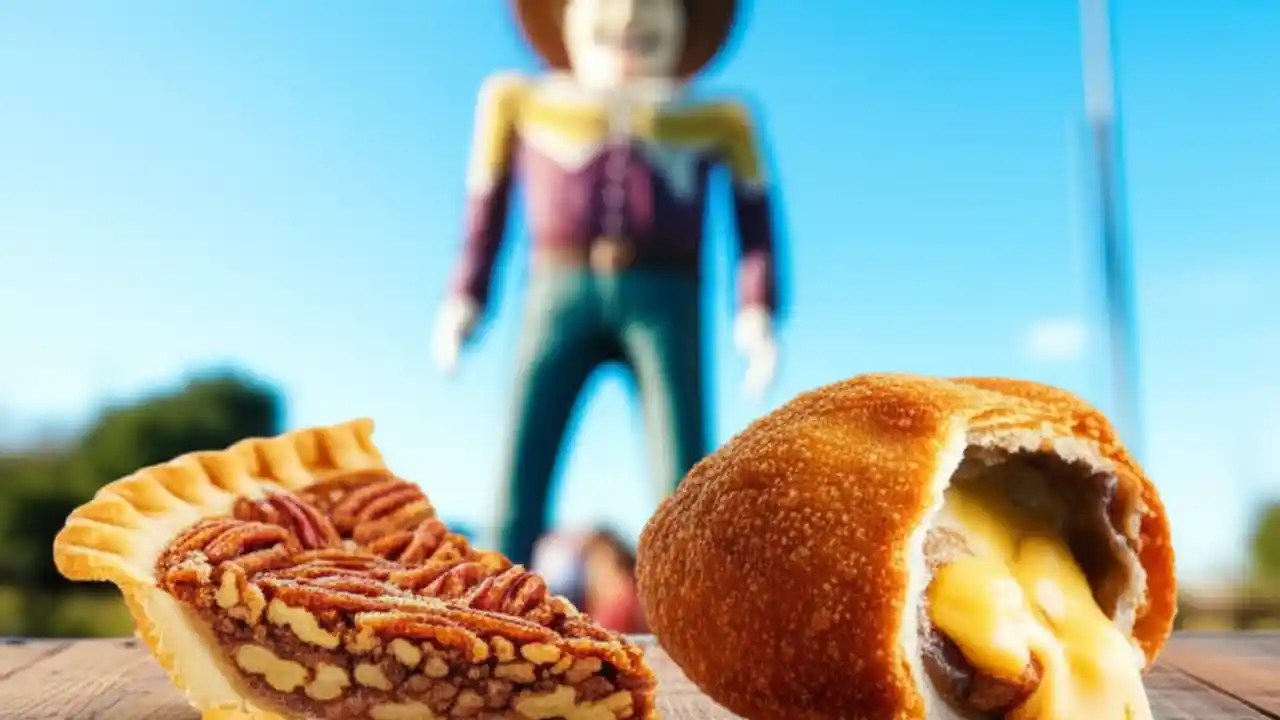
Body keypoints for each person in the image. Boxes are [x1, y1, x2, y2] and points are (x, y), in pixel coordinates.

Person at [433, 0, 787, 566]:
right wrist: (465, 296)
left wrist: (757, 310)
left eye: (646, 33)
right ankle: (494, 602)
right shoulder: (518, 100)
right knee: (522, 462)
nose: (625, 27)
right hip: (556, 289)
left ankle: (691, 606)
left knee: (682, 468)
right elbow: (485, 210)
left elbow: (756, 227)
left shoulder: (721, 118)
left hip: (668, 298)